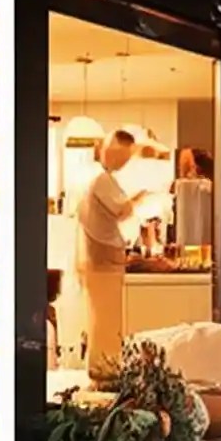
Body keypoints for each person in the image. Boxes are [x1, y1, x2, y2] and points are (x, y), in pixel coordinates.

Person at [76, 130, 146, 385]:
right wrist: (139, 198)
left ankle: (104, 369)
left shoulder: (97, 179)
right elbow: (121, 209)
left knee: (101, 317)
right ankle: (106, 372)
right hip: (102, 259)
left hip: (99, 258)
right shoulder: (101, 179)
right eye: (125, 157)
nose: (125, 163)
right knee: (105, 319)